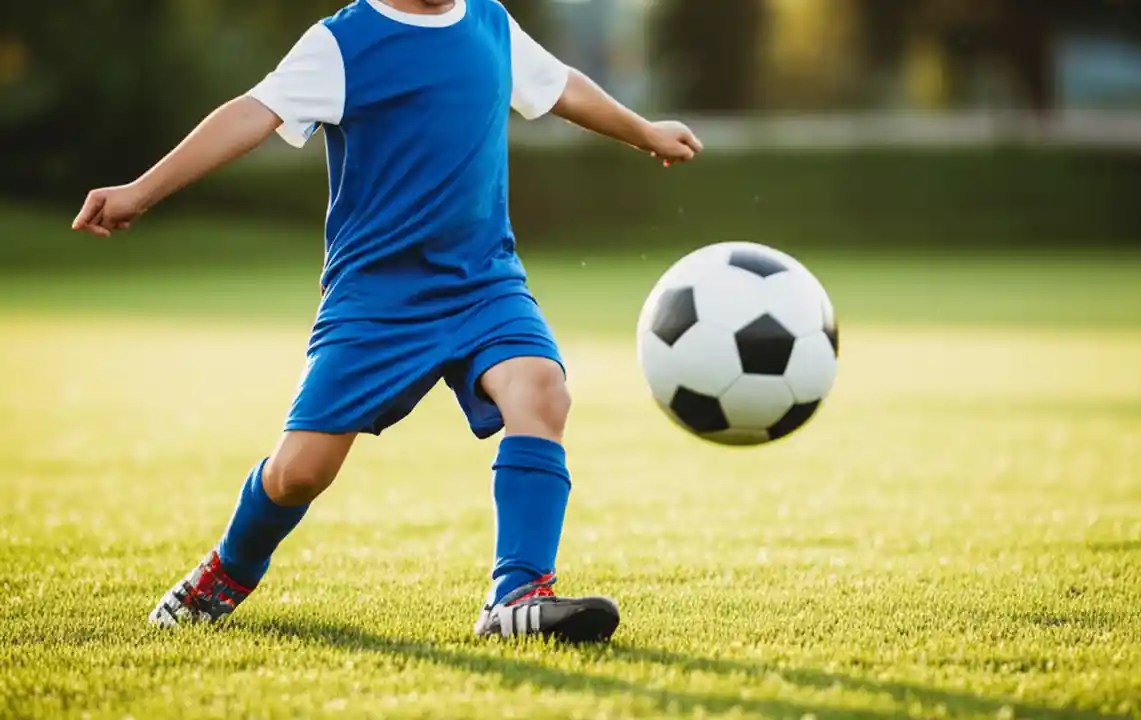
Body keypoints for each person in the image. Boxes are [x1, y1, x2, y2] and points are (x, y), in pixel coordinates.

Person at [70, 0, 702, 643]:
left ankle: (517, 595)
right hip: (376, 302)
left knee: (541, 388)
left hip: (484, 280)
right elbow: (250, 115)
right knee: (300, 473)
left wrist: (643, 131)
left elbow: (559, 84)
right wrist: (138, 192)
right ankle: (227, 571)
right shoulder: (343, 43)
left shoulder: (489, 21)